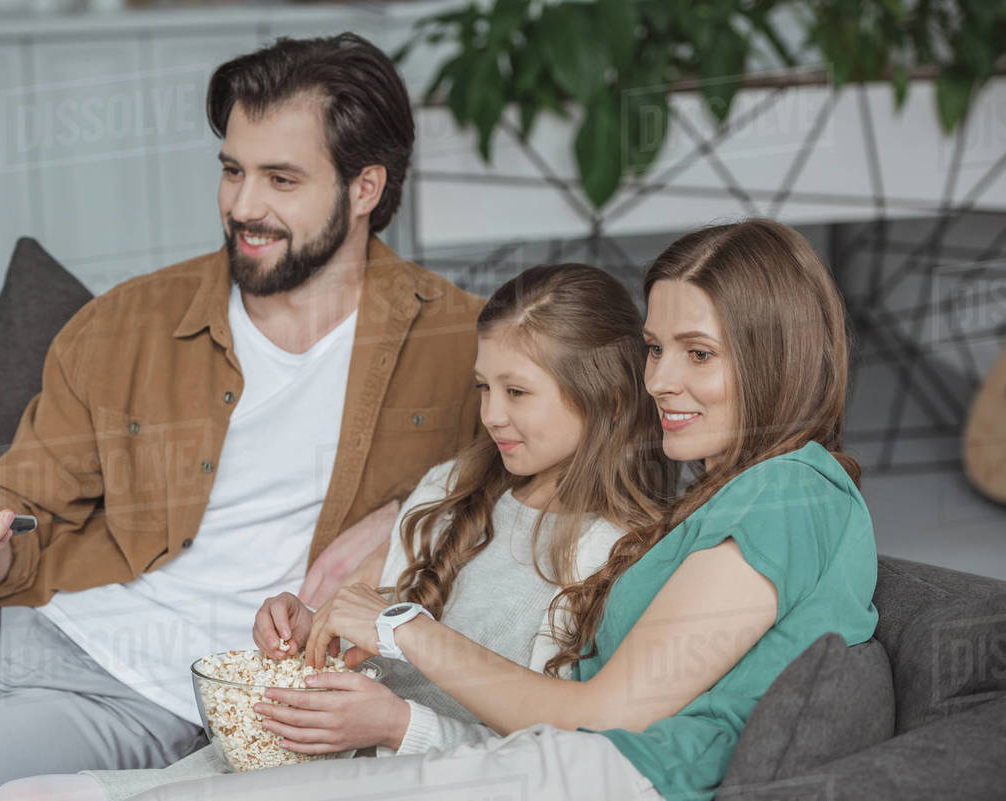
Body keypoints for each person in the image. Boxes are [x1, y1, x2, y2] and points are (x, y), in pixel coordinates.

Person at [0, 34, 484, 801]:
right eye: (232, 170)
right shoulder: (130, 320)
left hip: (139, 693)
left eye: (280, 179)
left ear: (365, 188)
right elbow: (28, 495)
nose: (243, 205)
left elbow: (576, 453)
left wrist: (407, 509)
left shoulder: (458, 340)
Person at [72, 218, 879, 801]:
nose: (660, 380)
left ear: (778, 355)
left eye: (696, 354)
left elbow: (604, 710)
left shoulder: (791, 490)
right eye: (656, 350)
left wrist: (399, 626)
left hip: (601, 772)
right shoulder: (737, 495)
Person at [0, 262, 675, 800]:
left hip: (402, 776)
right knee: (19, 793)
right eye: (481, 388)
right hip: (303, 754)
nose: (491, 415)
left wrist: (395, 725)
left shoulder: (613, 550)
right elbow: (362, 630)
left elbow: (550, 755)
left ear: (602, 390)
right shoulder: (451, 491)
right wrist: (306, 625)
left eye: (517, 392)